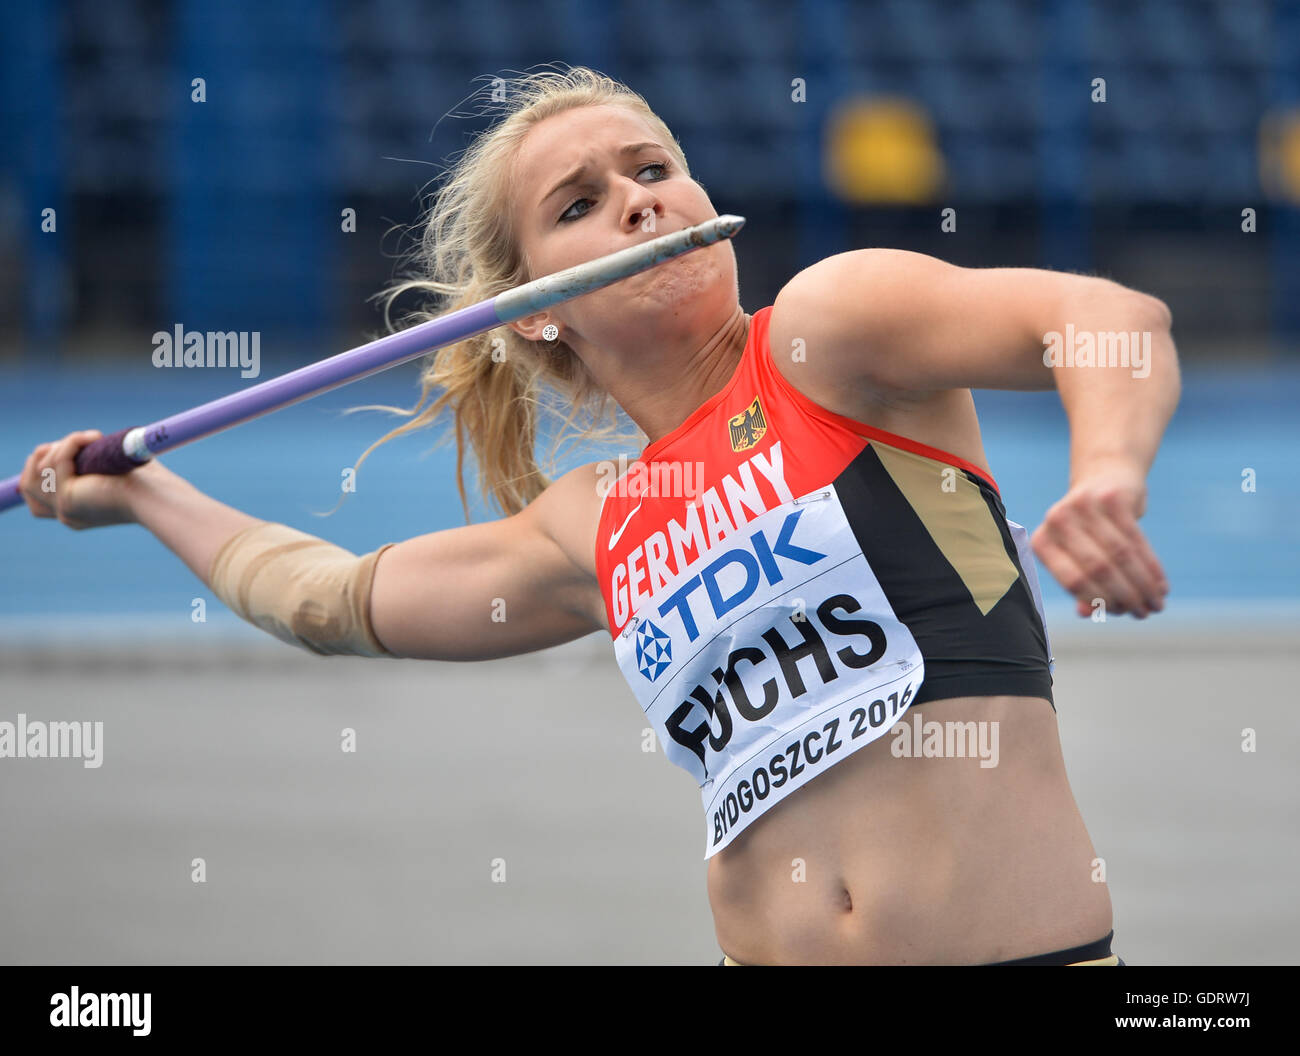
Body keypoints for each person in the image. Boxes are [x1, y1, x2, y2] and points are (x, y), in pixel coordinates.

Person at [16, 66, 1177, 965]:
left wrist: (1110, 471)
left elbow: (1104, 318)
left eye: (653, 168)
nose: (639, 202)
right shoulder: (594, 524)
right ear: (534, 313)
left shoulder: (830, 338)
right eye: (580, 204)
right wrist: (141, 495)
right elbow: (324, 599)